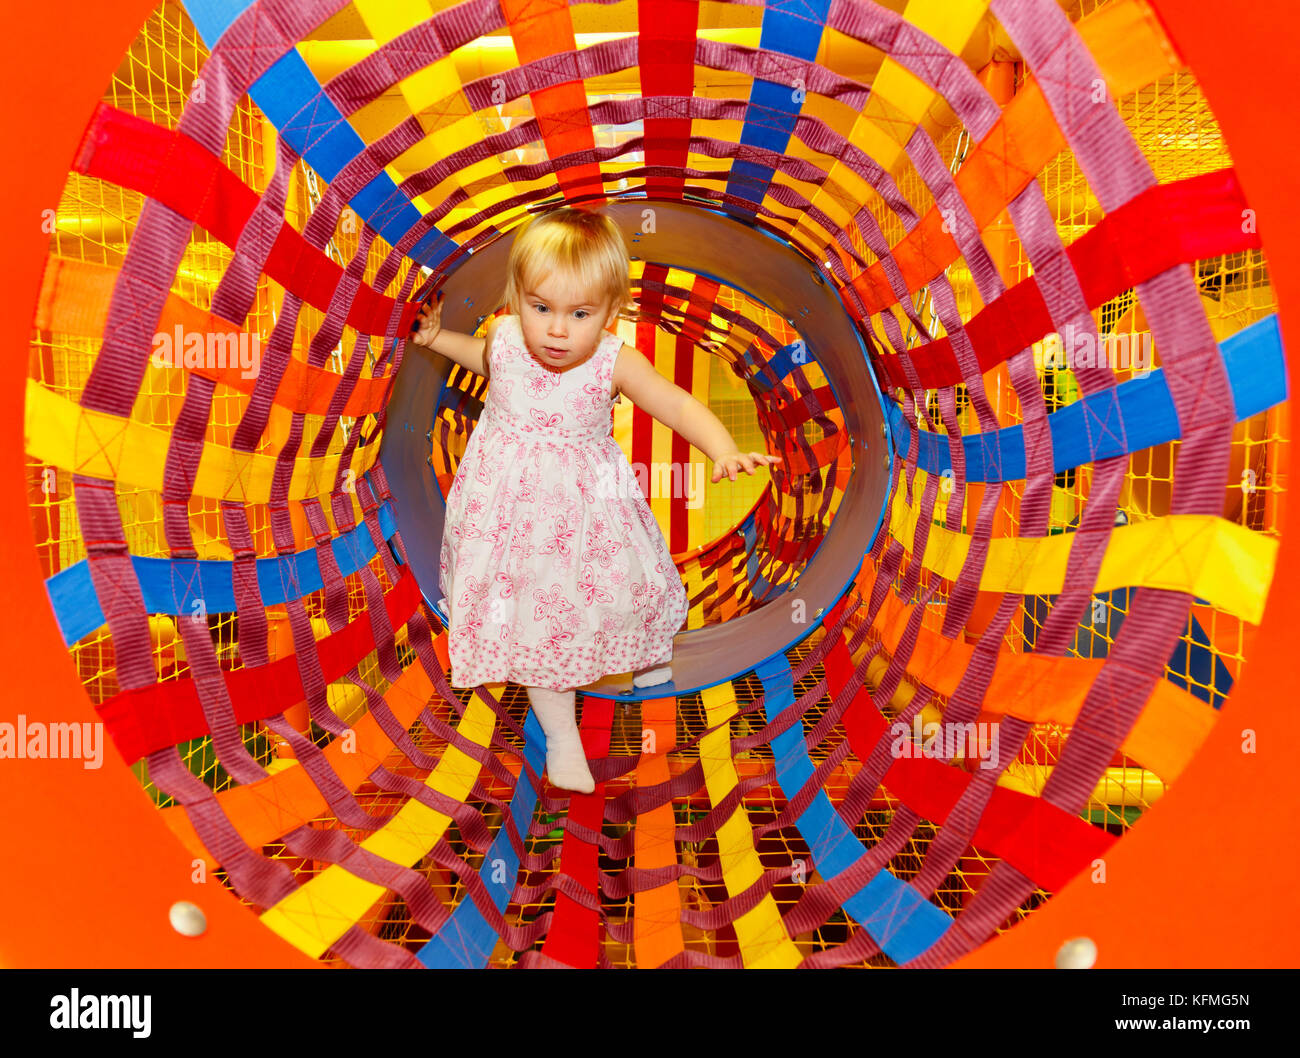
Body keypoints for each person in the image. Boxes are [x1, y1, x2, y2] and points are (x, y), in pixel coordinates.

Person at [410, 206, 780, 793]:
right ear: (516, 298)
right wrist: (437, 339)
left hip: (586, 514)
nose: (557, 330)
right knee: (535, 621)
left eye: (580, 314)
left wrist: (722, 449)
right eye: (542, 308)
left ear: (612, 312)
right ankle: (561, 736)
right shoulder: (504, 338)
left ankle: (642, 656)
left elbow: (675, 403)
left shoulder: (614, 360)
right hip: (507, 519)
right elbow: (481, 360)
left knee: (616, 587)